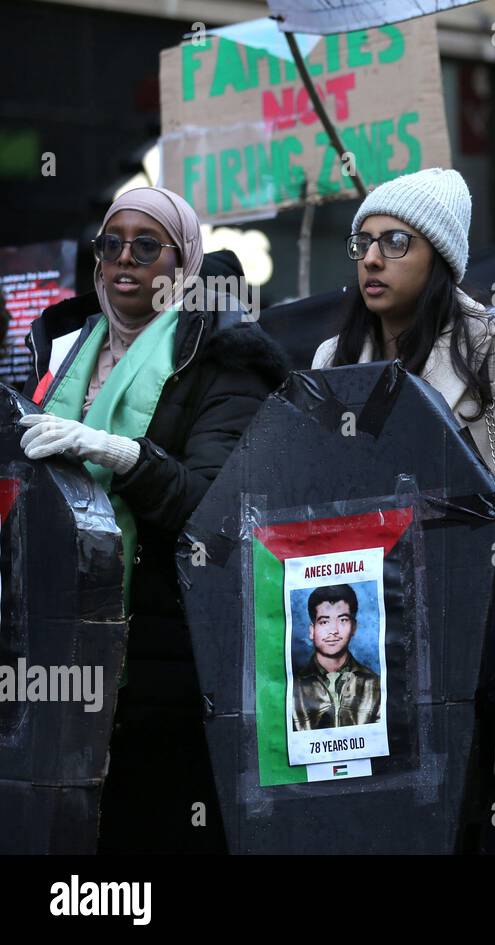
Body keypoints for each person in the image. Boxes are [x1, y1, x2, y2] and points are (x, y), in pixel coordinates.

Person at [313, 166, 495, 849]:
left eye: (395, 242)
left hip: (483, 634)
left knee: (476, 814)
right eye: (363, 242)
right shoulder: (331, 357)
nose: (372, 258)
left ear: (440, 257)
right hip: (370, 636)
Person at [20, 186, 291, 852]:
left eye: (148, 246)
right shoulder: (63, 352)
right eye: (111, 243)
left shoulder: (225, 356)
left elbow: (214, 511)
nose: (125, 261)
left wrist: (119, 452)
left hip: (169, 674)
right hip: (55, 659)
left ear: (183, 262)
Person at [292, 584, 382, 731]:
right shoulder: (292, 687)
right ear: (312, 630)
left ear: (353, 627)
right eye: (324, 622)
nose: (333, 631)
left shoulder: (374, 685)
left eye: (343, 620)